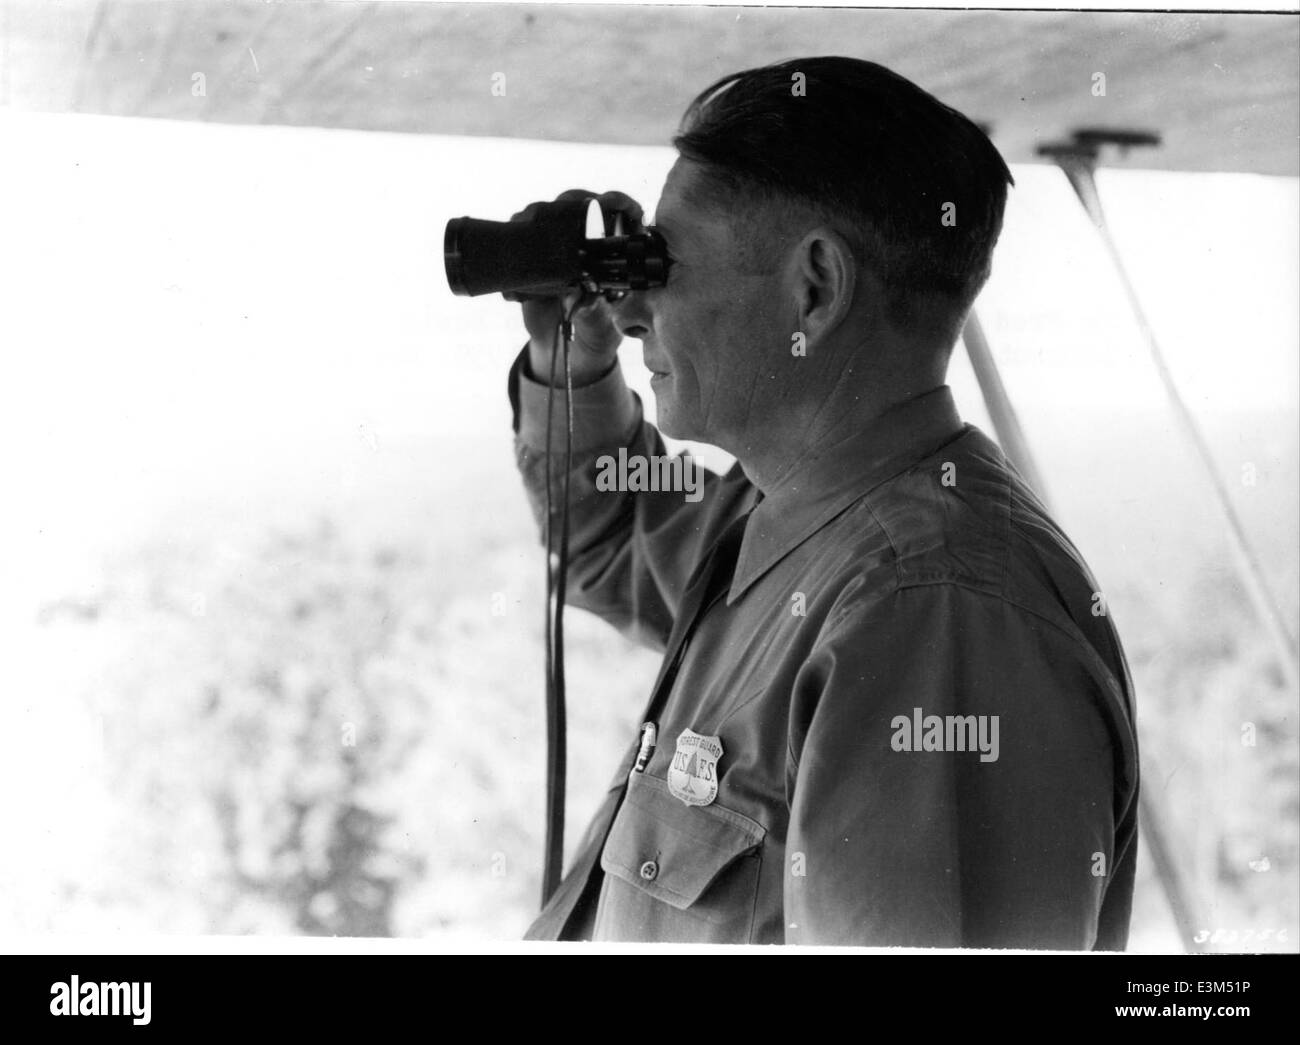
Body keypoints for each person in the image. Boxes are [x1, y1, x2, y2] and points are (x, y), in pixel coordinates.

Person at [504, 56, 1139, 947]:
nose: (635, 307)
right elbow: (609, 541)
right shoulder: (785, 519)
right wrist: (574, 359)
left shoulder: (928, 611)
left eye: (663, 265)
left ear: (815, 287)